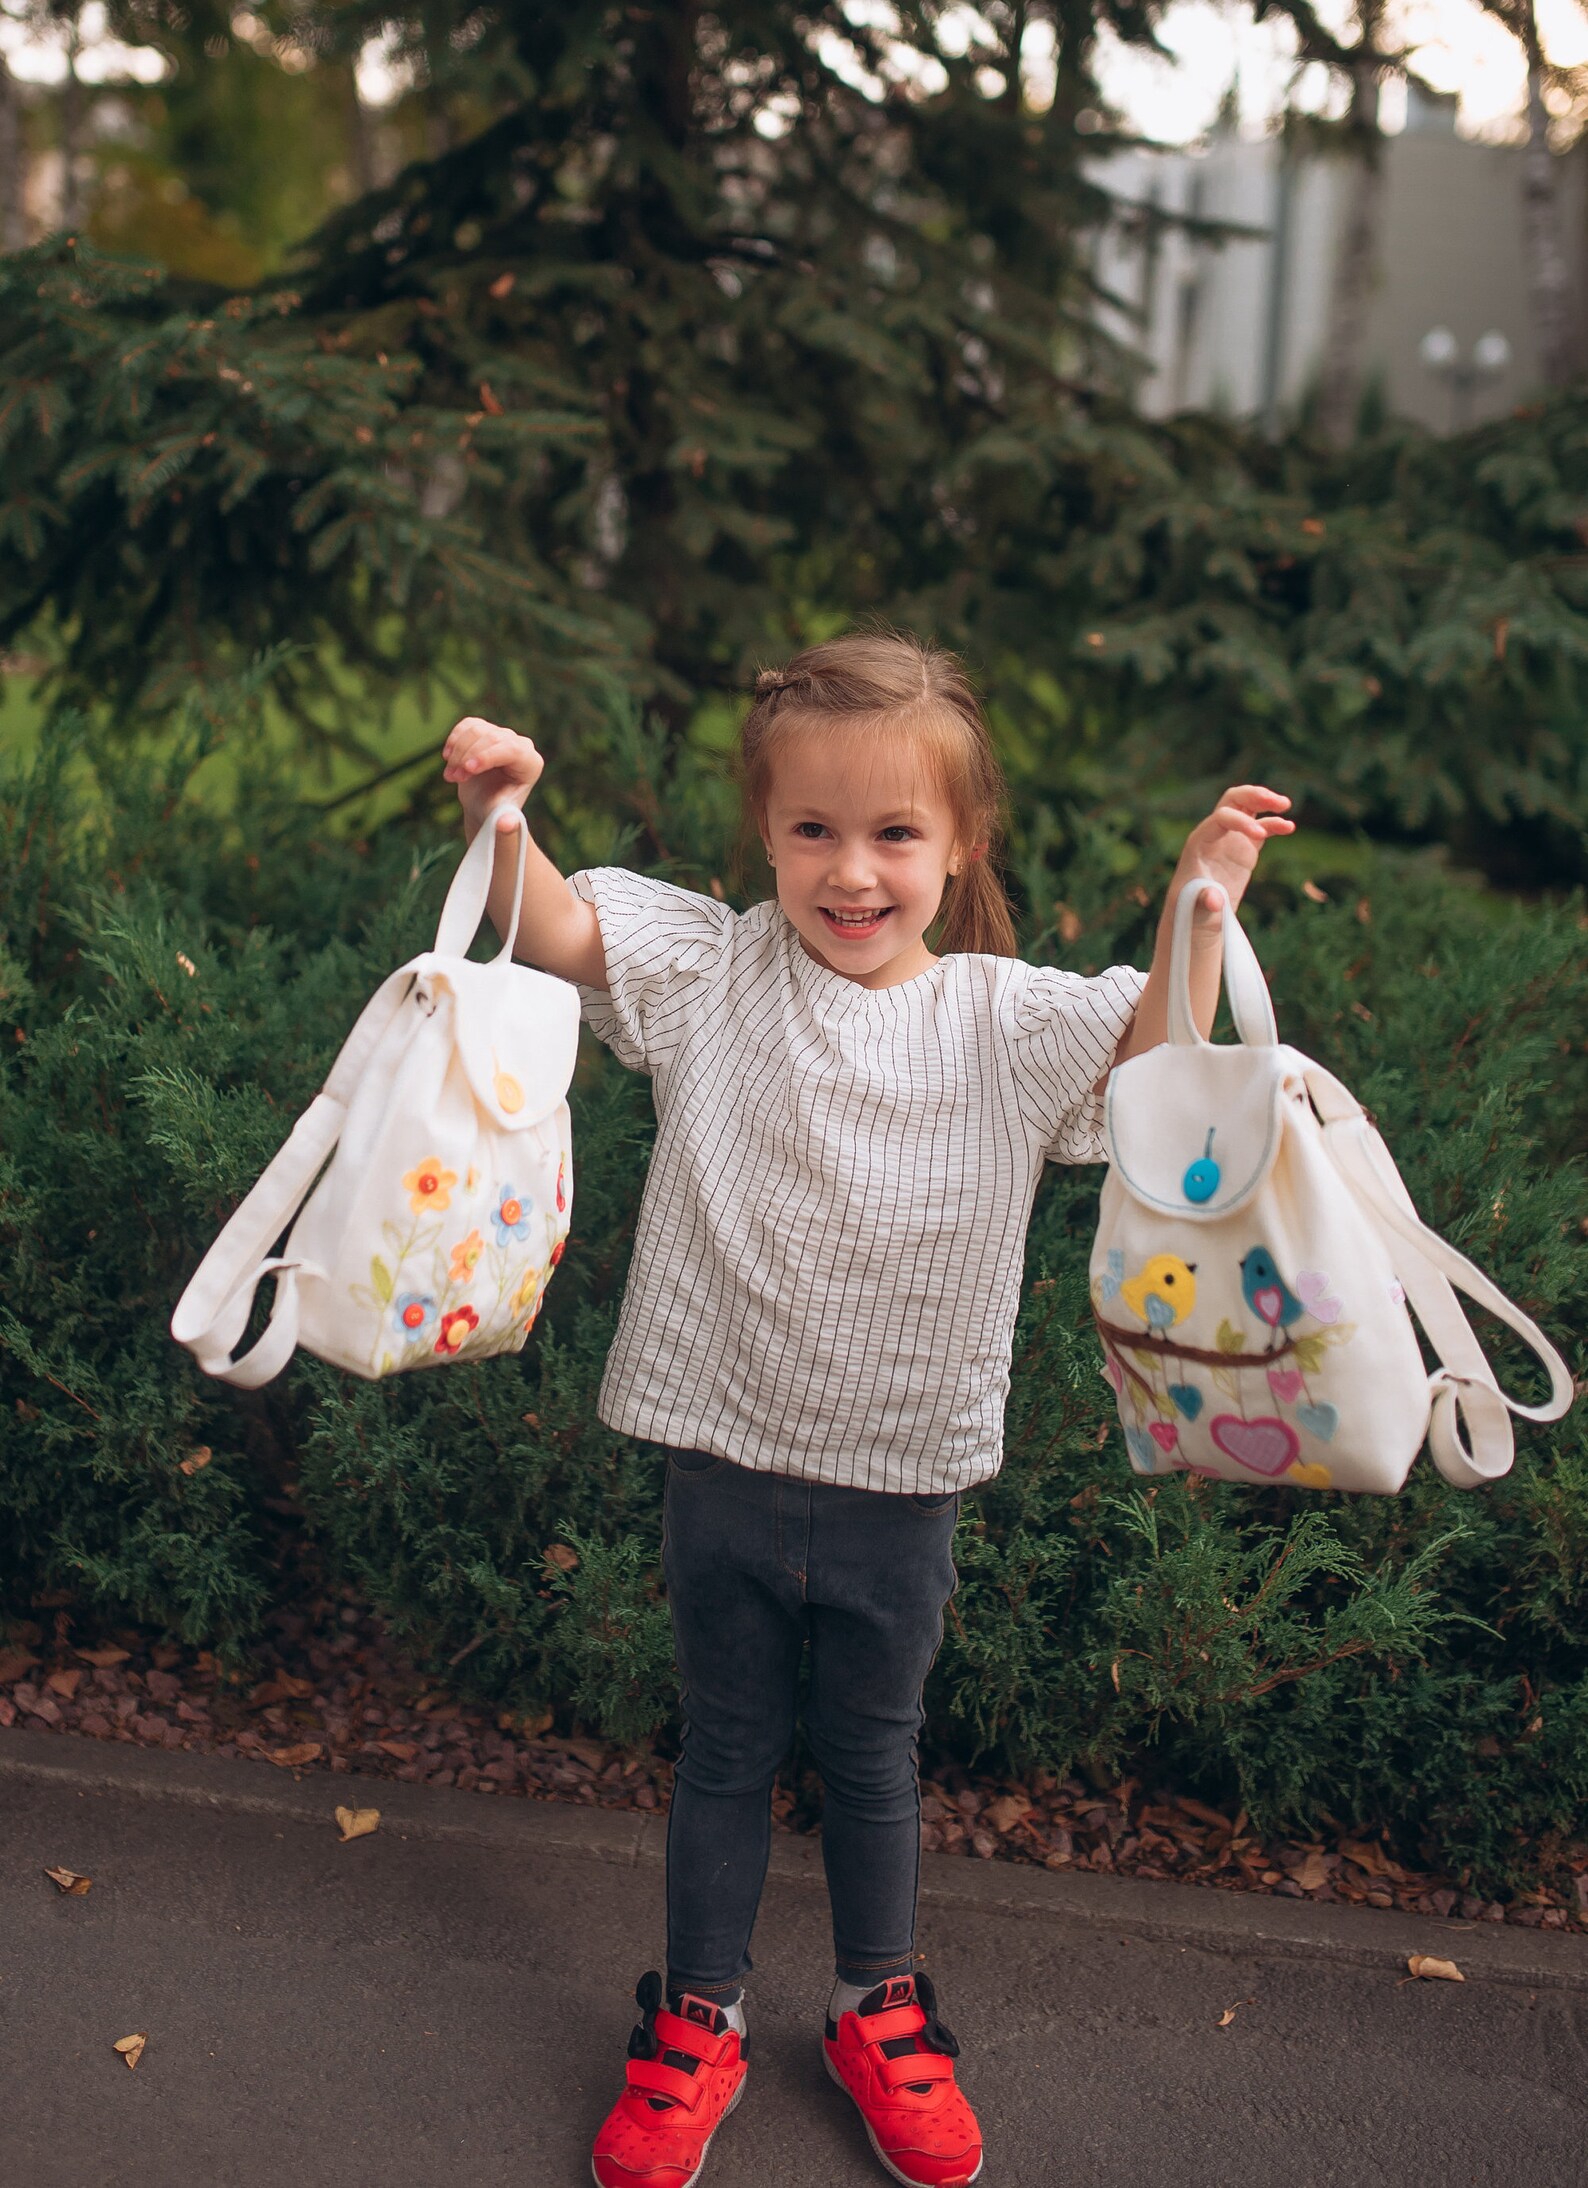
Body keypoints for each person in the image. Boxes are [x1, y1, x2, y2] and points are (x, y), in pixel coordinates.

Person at [443, 630, 1292, 2188]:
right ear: (763, 833)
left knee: (875, 1755)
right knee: (722, 1750)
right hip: (722, 1452)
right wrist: (505, 811)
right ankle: (696, 2016)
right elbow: (555, 927)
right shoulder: (712, 971)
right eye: (812, 831)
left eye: (896, 834)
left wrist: (1199, 893)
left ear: (959, 845)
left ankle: (874, 2009)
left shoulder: (1004, 1020)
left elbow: (1154, 1046)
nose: (852, 871)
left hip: (901, 1479)